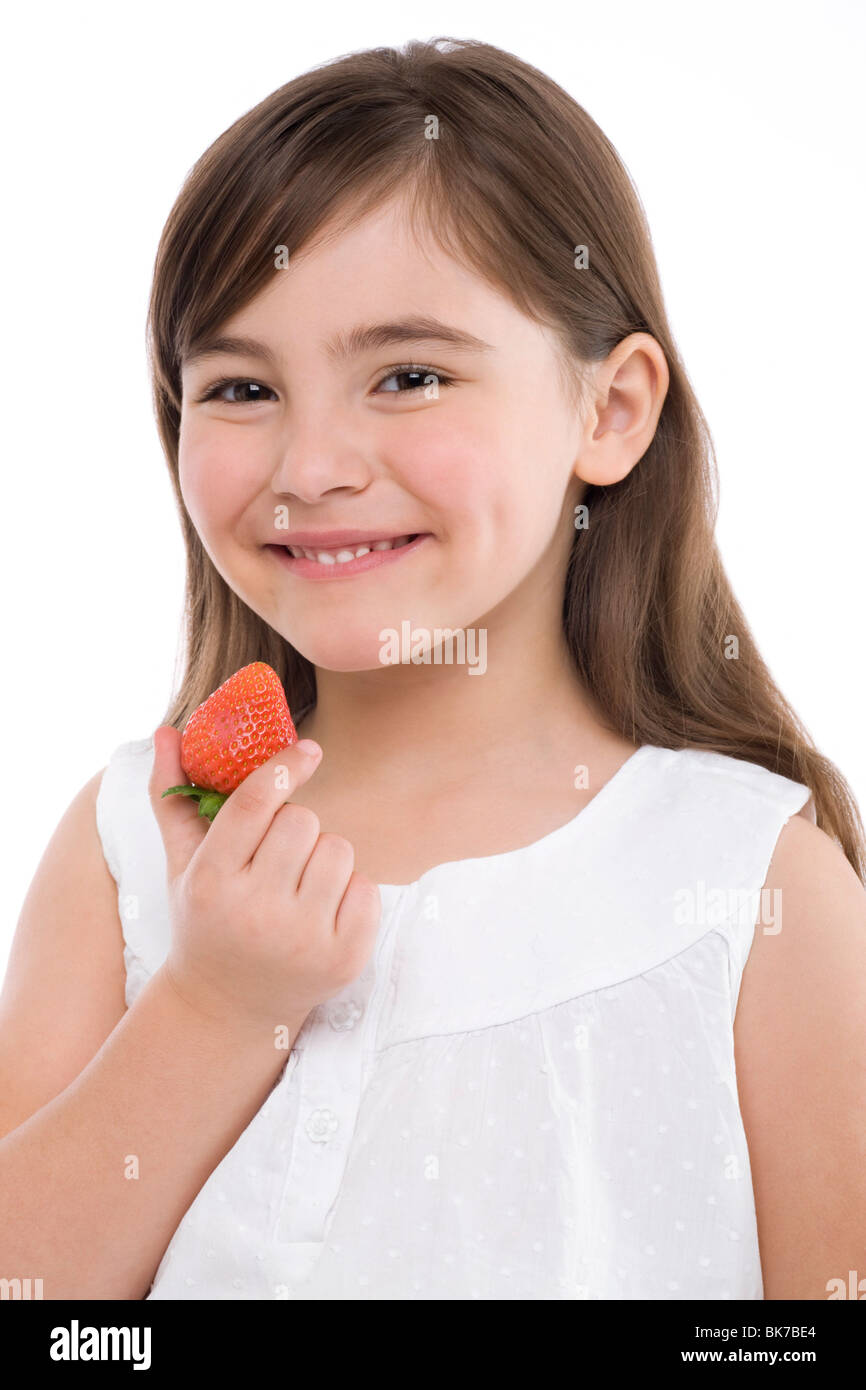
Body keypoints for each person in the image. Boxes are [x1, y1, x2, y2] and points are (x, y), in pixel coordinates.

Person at [1, 36, 864, 1302]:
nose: (311, 465)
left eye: (408, 375)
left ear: (608, 411)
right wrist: (217, 1008)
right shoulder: (132, 840)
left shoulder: (748, 881)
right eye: (240, 387)